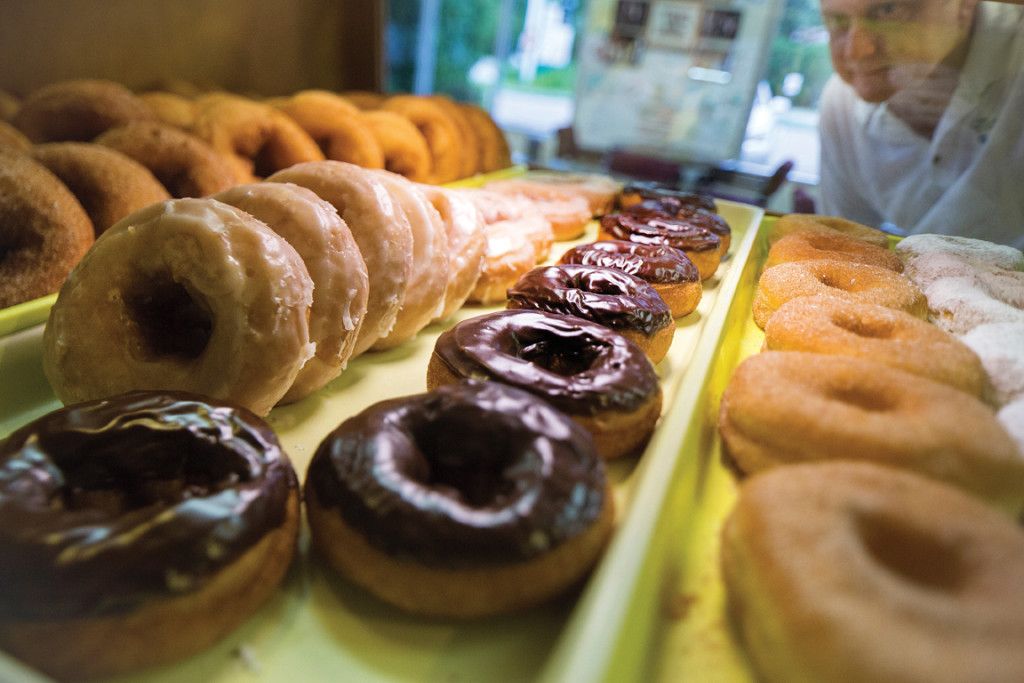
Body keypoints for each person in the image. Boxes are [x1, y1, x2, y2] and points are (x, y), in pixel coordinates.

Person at [816, 0, 1024, 248]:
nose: (857, 51)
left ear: (964, 5)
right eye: (838, 21)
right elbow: (838, 251)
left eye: (888, 10)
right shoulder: (841, 106)